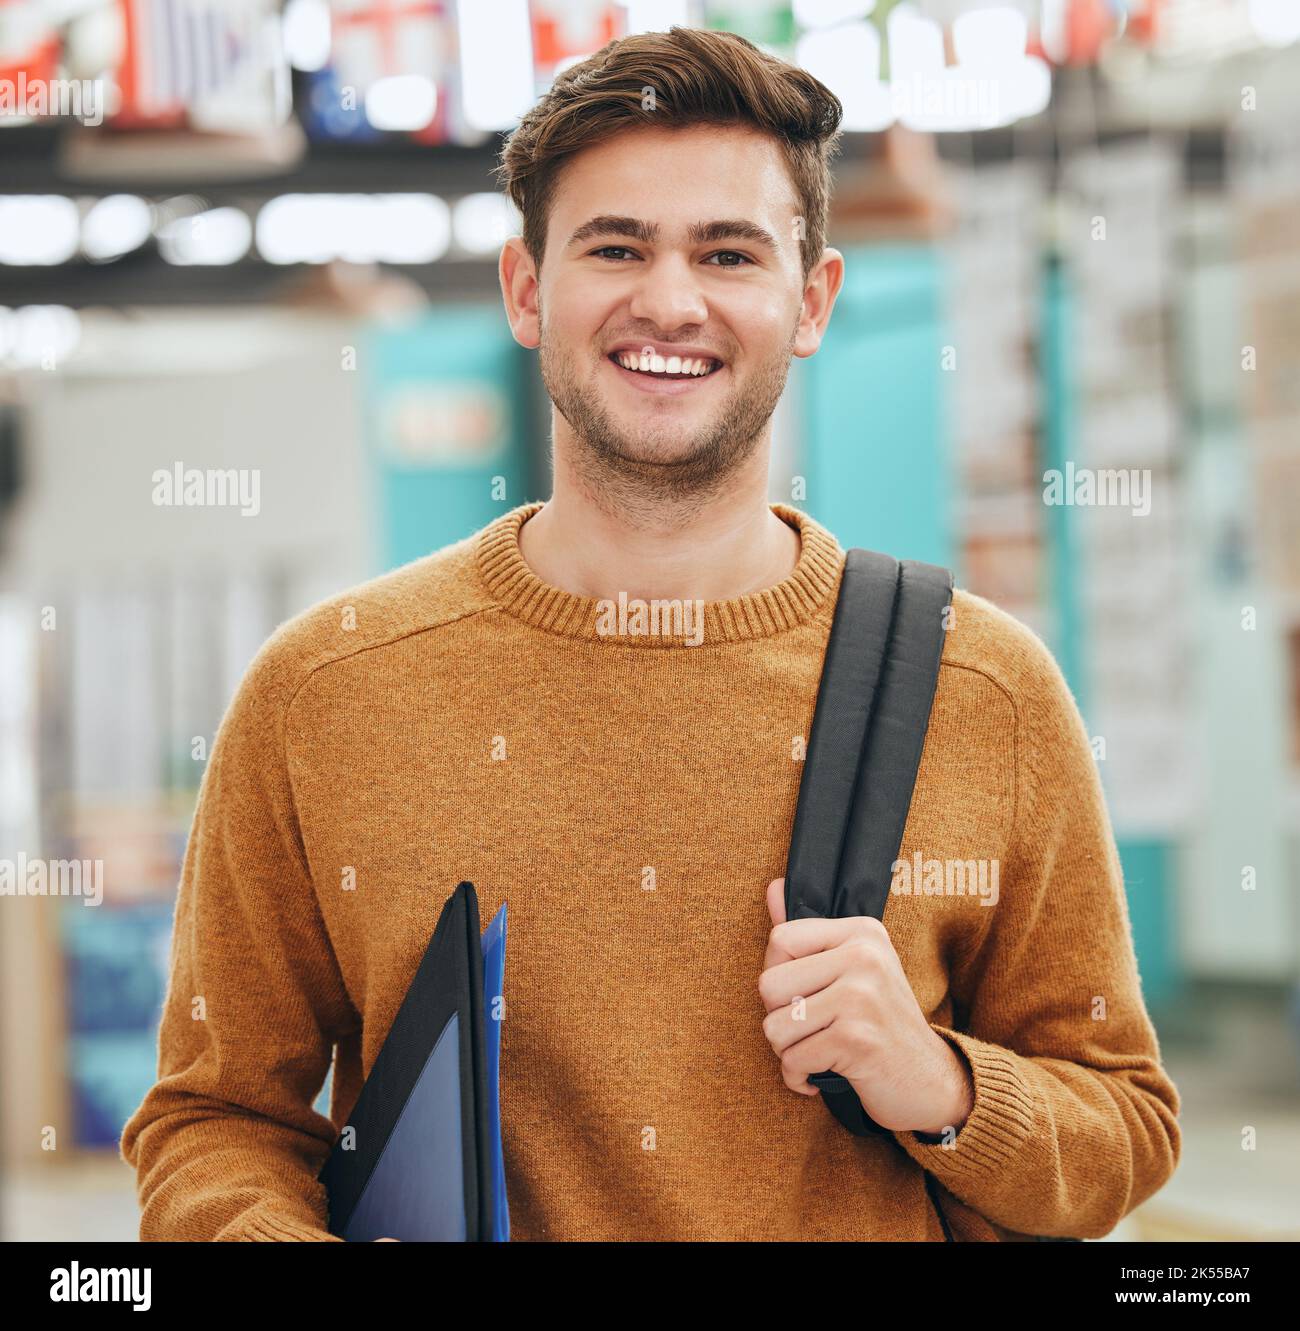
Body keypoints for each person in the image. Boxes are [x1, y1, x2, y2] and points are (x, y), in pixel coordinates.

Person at [121, 25, 1180, 1242]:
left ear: (811, 300)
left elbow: (1122, 1129)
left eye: (728, 252)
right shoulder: (323, 691)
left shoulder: (978, 687)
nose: (669, 300)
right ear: (526, 289)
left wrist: (940, 1085)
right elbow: (213, 1117)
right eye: (614, 246)